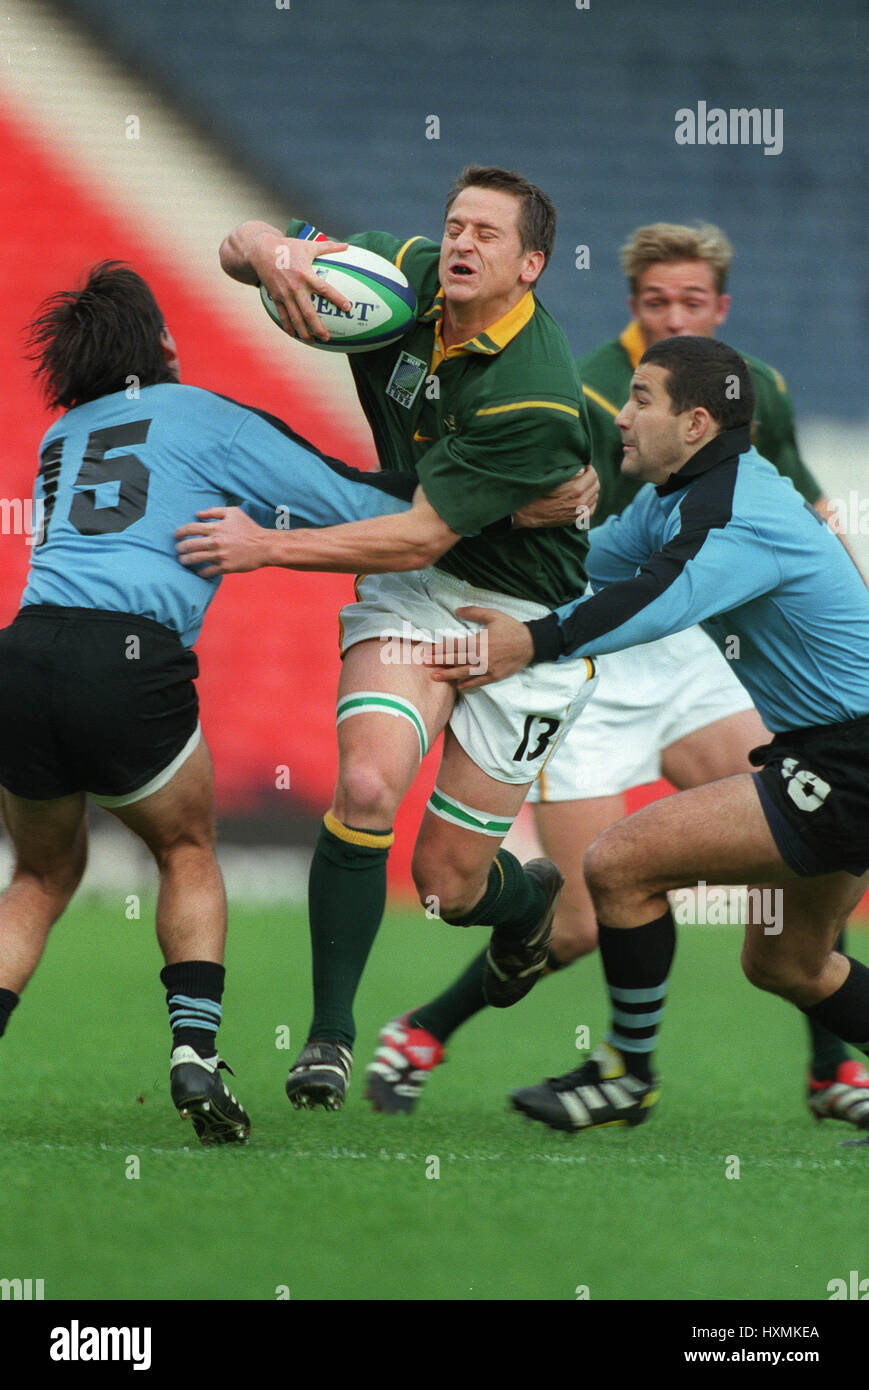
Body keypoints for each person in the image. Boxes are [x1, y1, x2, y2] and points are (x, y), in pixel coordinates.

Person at [366, 221, 869, 1133]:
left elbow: (651, 606)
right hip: (827, 754)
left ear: (695, 423)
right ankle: (774, 1073)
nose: (620, 415)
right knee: (788, 965)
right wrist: (515, 521)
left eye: (638, 400)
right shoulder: (680, 494)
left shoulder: (737, 511)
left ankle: (626, 1077)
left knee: (616, 864)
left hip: (845, 762)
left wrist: (529, 644)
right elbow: (591, 565)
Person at [0, 259, 440, 1145]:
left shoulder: (62, 438)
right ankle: (194, 1055)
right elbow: (347, 500)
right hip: (127, 659)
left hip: (24, 651)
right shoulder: (202, 414)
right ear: (163, 342)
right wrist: (474, 492)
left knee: (42, 875)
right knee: (186, 847)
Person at [207, 165, 600, 1112]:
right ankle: (330, 1039)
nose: (460, 244)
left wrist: (268, 546)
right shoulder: (407, 273)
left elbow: (425, 524)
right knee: (368, 783)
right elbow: (238, 244)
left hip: (522, 625)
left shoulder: (533, 396)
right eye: (455, 224)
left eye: (487, 236)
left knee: (445, 885)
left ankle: (522, 901)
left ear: (532, 265)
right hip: (417, 595)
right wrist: (270, 252)